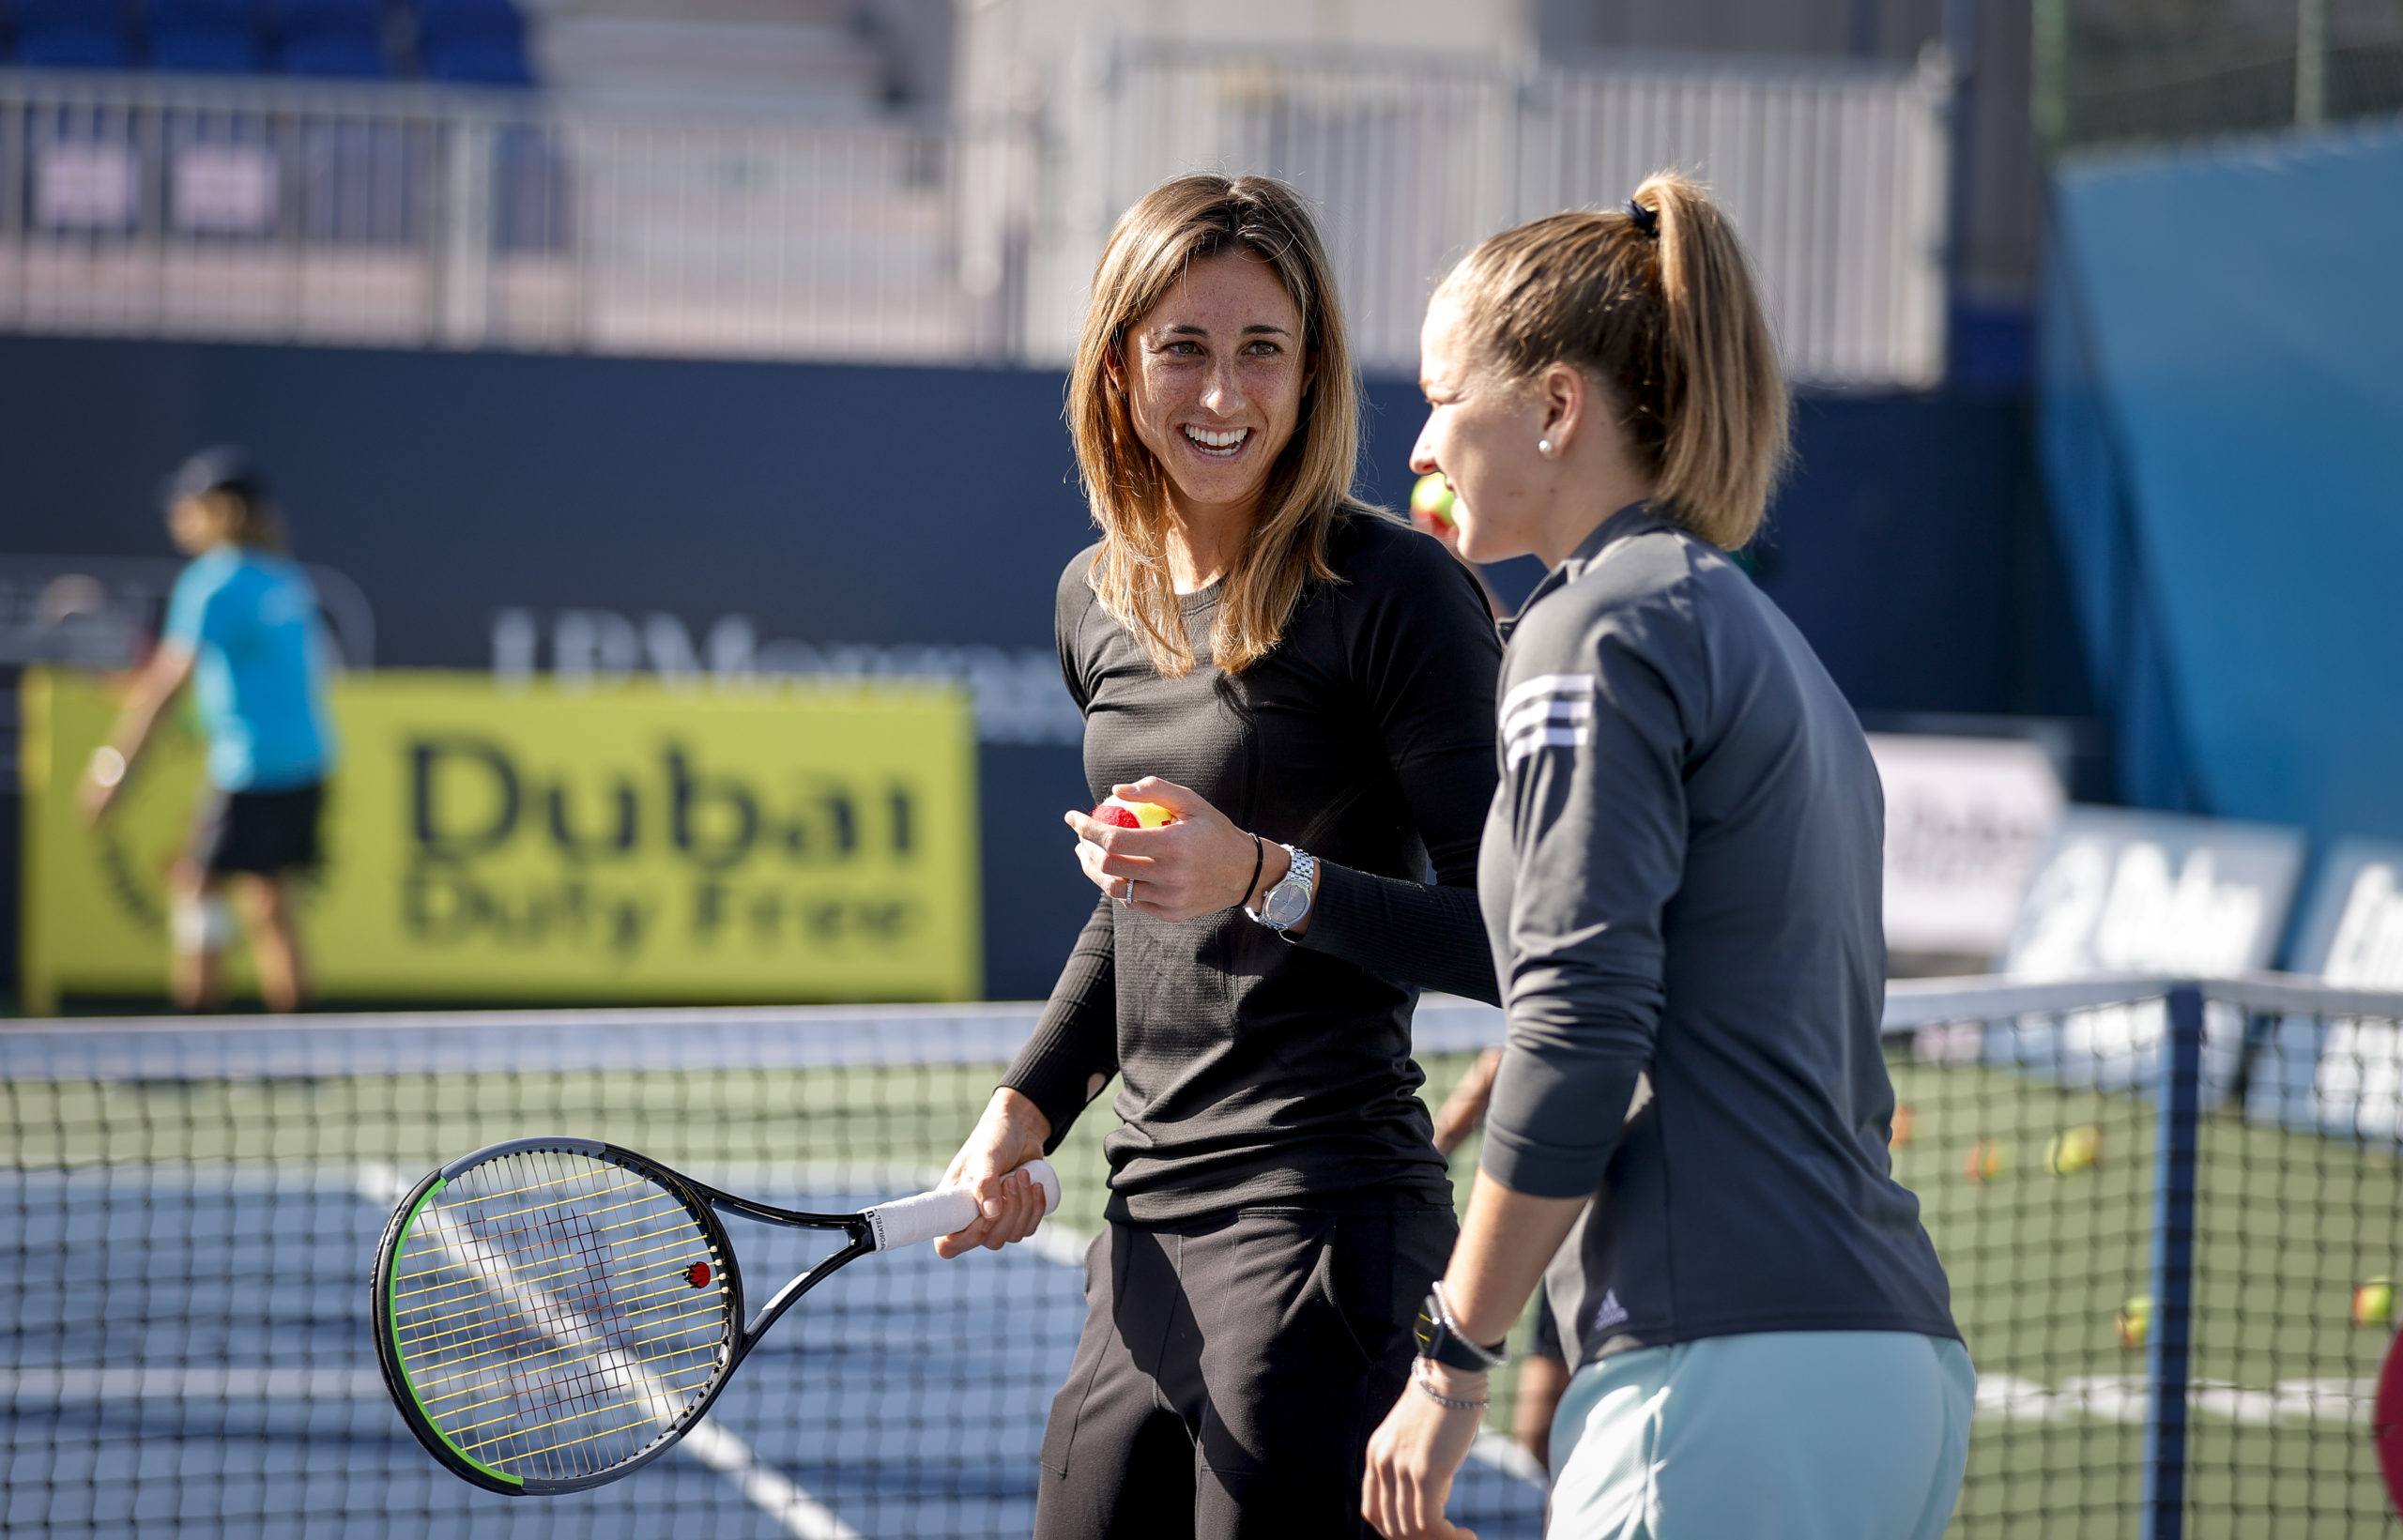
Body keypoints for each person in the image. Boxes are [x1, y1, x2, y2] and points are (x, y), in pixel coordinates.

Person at [1363, 174, 1971, 1540]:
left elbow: (1581, 1025)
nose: (1424, 438)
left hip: (1719, 1378)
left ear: (1555, 407)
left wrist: (1450, 1362)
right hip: (1893, 1375)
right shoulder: (1766, 643)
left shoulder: (1590, 626)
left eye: (1443, 394)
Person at [931, 173, 1506, 1539]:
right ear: (1118, 367)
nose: (1221, 392)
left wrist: (1263, 875)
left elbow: (1514, 936)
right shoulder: (1093, 598)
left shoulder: (1397, 593)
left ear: (1311, 375)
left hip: (1325, 1226)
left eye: (1263, 350)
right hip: (1141, 1233)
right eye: (1182, 347)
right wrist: (1024, 1107)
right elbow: (1143, 913)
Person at [80, 449, 338, 1013]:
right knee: (268, 897)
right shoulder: (284, 578)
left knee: (197, 887)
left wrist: (113, 770)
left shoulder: (212, 583)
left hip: (252, 768)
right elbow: (260, 676)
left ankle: (194, 1029)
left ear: (222, 511)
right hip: (309, 761)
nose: (178, 514)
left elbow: (167, 688)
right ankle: (303, 1039)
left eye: (189, 504)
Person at [1426, 1046, 1569, 1471]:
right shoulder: (1544, 1041)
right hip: (1568, 1262)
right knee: (1539, 1448)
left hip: (1623, 1253)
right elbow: (1496, 1064)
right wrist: (1431, 1160)